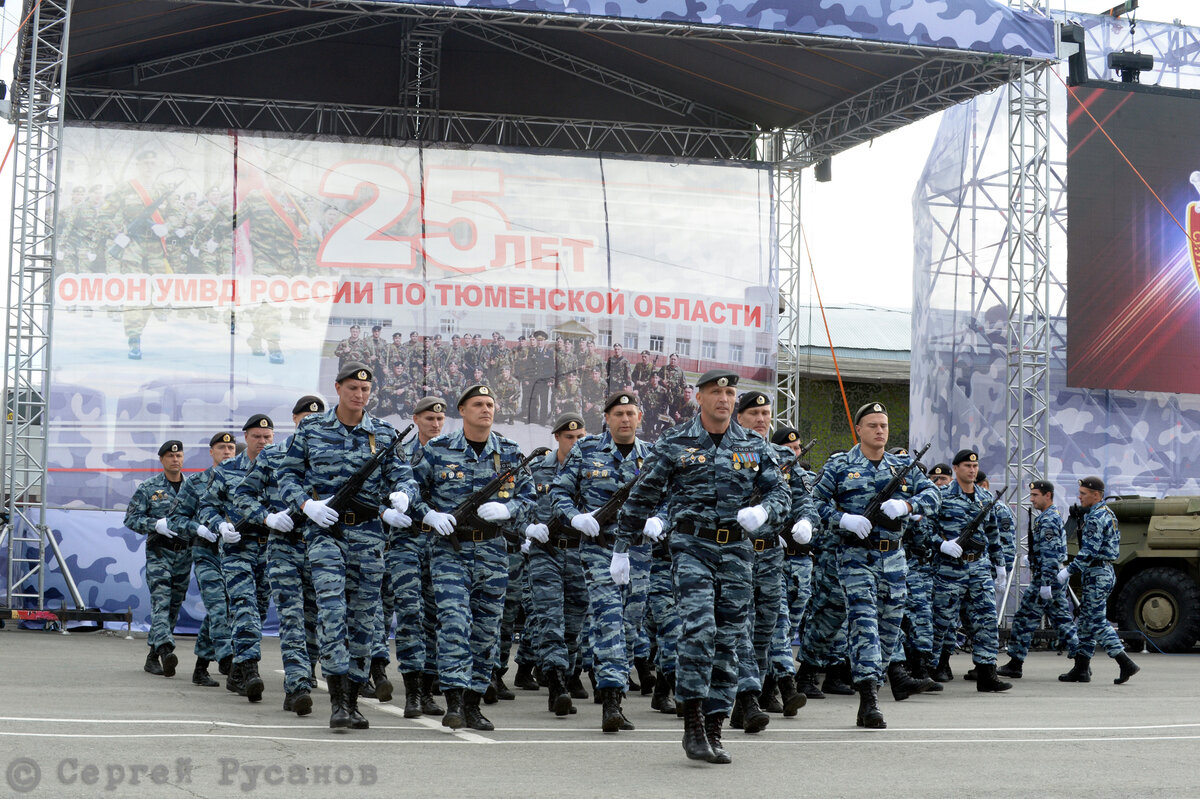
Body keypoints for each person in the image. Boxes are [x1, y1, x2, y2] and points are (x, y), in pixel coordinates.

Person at [618, 370, 789, 764]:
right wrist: (622, 548)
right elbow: (642, 496)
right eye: (716, 391)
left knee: (728, 639)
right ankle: (692, 723)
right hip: (692, 545)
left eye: (730, 392)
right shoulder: (675, 441)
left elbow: (781, 492)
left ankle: (714, 727)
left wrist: (763, 509)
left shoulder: (754, 444)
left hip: (737, 551)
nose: (724, 399)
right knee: (699, 630)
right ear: (700, 397)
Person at [276, 363, 418, 730]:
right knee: (332, 612)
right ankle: (338, 702)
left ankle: (353, 700)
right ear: (337, 388)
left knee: (364, 619)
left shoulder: (384, 433)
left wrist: (403, 493)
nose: (359, 395)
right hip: (326, 533)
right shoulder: (312, 428)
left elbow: (401, 473)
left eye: (365, 390)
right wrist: (307, 505)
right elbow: (287, 474)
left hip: (369, 534)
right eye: (352, 388)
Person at [411, 384, 536, 731]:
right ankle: (452, 699)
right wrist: (429, 514)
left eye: (490, 404)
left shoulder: (510, 453)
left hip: (493, 552)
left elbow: (530, 498)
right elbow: (409, 490)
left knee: (486, 631)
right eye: (478, 404)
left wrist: (508, 508)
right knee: (453, 622)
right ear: (462, 410)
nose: (486, 409)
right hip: (450, 550)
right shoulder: (437, 450)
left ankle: (473, 704)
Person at [810, 402, 941, 729]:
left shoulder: (902, 466)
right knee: (864, 622)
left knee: (888, 627)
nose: (880, 430)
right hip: (856, 557)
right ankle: (869, 700)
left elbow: (934, 497)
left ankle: (873, 686)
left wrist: (906, 504)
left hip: (894, 558)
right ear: (859, 429)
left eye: (883, 425)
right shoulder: (841, 466)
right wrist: (844, 519)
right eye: (873, 425)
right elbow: (814, 504)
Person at [552, 393, 653, 734]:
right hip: (599, 549)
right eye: (618, 413)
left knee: (629, 627)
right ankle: (609, 702)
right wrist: (576, 517)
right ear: (606, 418)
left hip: (639, 551)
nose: (625, 419)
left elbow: (674, 497)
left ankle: (616, 693)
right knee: (608, 621)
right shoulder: (586, 450)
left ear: (639, 417)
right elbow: (559, 493)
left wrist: (662, 520)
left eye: (631, 413)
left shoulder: (652, 456)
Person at [232, 396, 327, 717]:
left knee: (314, 618)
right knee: (291, 617)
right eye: (304, 420)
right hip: (284, 546)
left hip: (322, 547)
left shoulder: (332, 457)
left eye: (317, 420)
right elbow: (243, 494)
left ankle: (306, 670)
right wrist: (267, 517)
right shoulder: (273, 455)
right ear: (295, 421)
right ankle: (297, 684)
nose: (310, 425)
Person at [198, 415, 276, 702]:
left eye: (267, 436)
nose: (263, 442)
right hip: (238, 548)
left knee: (260, 610)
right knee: (244, 605)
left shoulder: (282, 468)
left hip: (270, 548)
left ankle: (236, 673)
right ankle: (250, 669)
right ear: (247, 438)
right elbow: (207, 506)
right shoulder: (229, 469)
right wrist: (220, 526)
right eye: (257, 436)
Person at [928, 449, 1012, 694]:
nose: (972, 470)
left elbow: (993, 534)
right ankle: (929, 670)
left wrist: (1000, 565)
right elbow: (924, 529)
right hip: (949, 569)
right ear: (955, 468)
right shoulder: (940, 495)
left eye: (975, 467)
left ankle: (987, 673)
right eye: (967, 466)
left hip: (979, 567)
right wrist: (941, 544)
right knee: (940, 622)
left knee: (986, 620)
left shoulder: (985, 497)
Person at [523, 413, 590, 716]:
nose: (575, 443)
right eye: (569, 437)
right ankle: (556, 684)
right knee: (550, 618)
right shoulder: (538, 470)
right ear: (557, 438)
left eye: (580, 438)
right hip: (546, 553)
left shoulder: (593, 471)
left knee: (574, 625)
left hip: (580, 554)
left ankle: (568, 672)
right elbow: (520, 506)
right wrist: (527, 530)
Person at [390, 396, 449, 718]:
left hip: (441, 544)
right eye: (429, 419)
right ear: (416, 419)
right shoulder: (401, 453)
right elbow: (382, 486)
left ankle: (428, 689)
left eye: (439, 419)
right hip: (406, 540)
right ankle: (413, 693)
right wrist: (387, 510)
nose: (435, 424)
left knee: (435, 615)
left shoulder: (451, 454)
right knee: (411, 613)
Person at [168, 432, 237, 687]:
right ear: (211, 451)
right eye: (222, 447)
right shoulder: (196, 482)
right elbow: (175, 518)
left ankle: (201, 666)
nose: (227, 452)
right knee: (218, 606)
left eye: (231, 447)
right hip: (206, 552)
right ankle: (229, 660)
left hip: (235, 554)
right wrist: (197, 528)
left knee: (225, 610)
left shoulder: (246, 480)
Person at [1056, 476, 1140, 685]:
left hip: (1096, 573)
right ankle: (1081, 668)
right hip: (1101, 572)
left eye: (1083, 494)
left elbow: (1089, 551)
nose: (1079, 497)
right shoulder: (1105, 513)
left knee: (1095, 622)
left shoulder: (1096, 517)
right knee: (1085, 621)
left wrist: (1068, 571)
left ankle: (1124, 661)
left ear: (1096, 495)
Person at [996, 479, 1081, 679]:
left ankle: (1016, 663)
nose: (1032, 499)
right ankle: (1082, 661)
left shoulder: (1049, 519)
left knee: (1024, 619)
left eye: (1035, 495)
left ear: (1047, 495)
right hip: (1050, 577)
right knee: (1062, 620)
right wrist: (1032, 558)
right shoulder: (1047, 516)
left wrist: (1045, 584)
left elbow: (1050, 556)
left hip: (1047, 578)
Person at [124, 440, 192, 678]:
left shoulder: (192, 487)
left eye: (179, 456)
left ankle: (153, 656)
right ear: (162, 460)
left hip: (184, 553)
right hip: (159, 553)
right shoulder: (149, 488)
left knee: (174, 605)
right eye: (171, 456)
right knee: (161, 601)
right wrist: (155, 525)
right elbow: (130, 519)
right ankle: (166, 649)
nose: (175, 460)